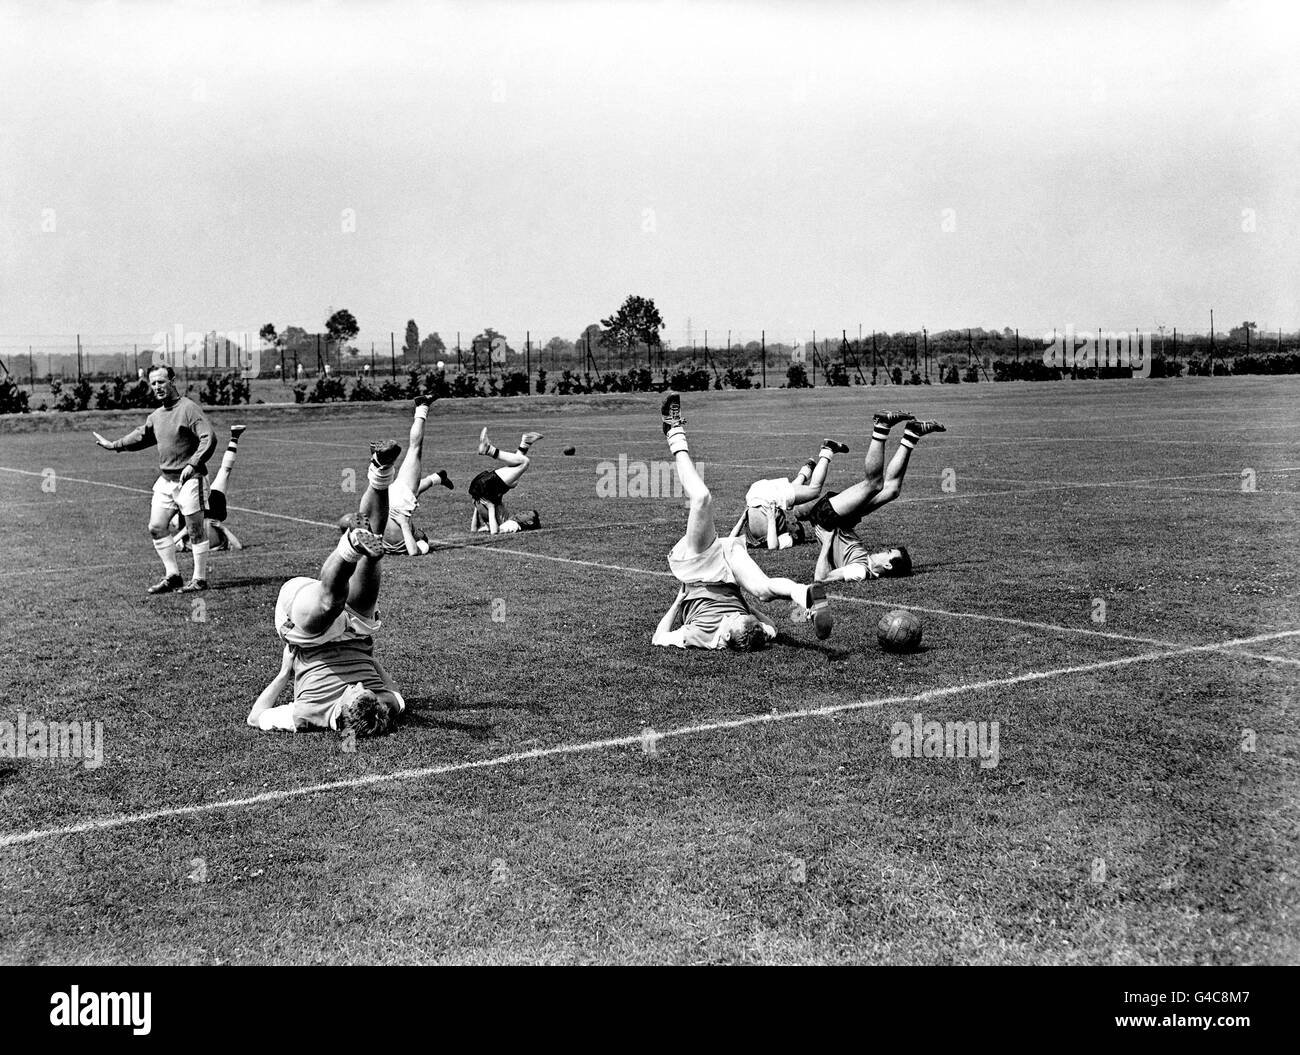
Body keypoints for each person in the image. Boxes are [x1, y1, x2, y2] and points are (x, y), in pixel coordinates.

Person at [247, 439, 407, 737]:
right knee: (370, 568)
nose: (359, 685)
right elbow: (394, 694)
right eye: (366, 690)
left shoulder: (310, 715)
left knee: (330, 603)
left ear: (342, 709)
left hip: (308, 631)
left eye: (356, 692)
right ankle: (380, 470)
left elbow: (255, 718)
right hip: (356, 630)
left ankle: (350, 544)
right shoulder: (383, 705)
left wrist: (284, 673)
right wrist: (370, 661)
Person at [652, 394, 833, 651]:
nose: (730, 616)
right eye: (737, 617)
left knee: (702, 498)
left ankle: (673, 431)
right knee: (763, 589)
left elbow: (658, 638)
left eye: (731, 620)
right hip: (730, 573)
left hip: (699, 569)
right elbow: (772, 627)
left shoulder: (703, 637)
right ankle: (804, 594)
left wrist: (678, 601)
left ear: (725, 638)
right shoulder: (755, 630)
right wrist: (749, 612)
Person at [93, 364, 218, 594]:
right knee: (157, 527)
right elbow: (141, 437)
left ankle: (199, 579)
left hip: (191, 479)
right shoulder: (157, 416)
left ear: (172, 381)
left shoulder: (189, 409)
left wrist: (193, 463)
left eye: (161, 381)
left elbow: (208, 437)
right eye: (153, 383)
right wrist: (114, 445)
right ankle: (173, 576)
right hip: (166, 480)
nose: (157, 387)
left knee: (194, 530)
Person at [808, 411, 946, 583]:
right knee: (892, 490)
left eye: (888, 553)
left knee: (874, 484)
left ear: (887, 566)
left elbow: (821, 578)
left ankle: (881, 425)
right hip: (841, 520)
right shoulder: (865, 562)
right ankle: (912, 434)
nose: (883, 550)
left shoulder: (861, 570)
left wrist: (827, 543)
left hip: (828, 519)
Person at [729, 439, 849, 549]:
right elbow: (770, 546)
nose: (791, 522)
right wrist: (768, 520)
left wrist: (743, 519)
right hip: (757, 495)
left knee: (805, 492)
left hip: (761, 497)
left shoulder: (767, 538)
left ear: (792, 533)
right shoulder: (780, 536)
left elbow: (731, 541)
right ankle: (819, 458)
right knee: (803, 492)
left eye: (793, 525)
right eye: (794, 524)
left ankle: (817, 460)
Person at [381, 397, 454, 555]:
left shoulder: (413, 541)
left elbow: (413, 552)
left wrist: (406, 525)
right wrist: (405, 525)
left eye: (419, 533)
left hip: (389, 504)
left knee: (415, 449)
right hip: (395, 503)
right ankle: (438, 478)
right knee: (413, 490)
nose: (420, 531)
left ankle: (422, 406)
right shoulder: (407, 531)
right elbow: (413, 551)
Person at [173, 424, 246, 552]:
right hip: (213, 512)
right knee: (225, 471)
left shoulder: (187, 544)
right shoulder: (219, 544)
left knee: (174, 519)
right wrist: (222, 528)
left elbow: (169, 546)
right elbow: (238, 546)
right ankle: (234, 437)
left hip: (193, 512)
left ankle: (191, 441)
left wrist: (185, 531)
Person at [468, 427, 542, 534]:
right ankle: (525, 444)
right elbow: (475, 530)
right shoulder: (509, 519)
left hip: (486, 490)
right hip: (484, 491)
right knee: (514, 481)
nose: (524, 513)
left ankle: (489, 450)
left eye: (528, 514)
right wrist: (477, 507)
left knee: (524, 463)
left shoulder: (513, 525)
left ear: (529, 522)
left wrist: (489, 507)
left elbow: (494, 532)